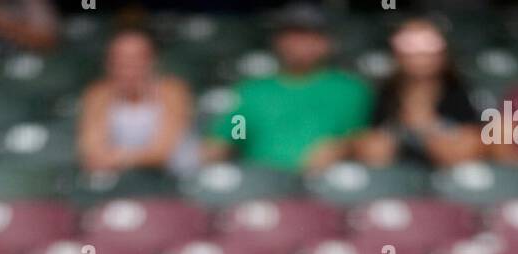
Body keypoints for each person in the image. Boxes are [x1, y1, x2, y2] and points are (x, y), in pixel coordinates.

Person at [203, 4, 373, 173]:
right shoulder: (250, 92)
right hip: (261, 181)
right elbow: (231, 136)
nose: (299, 44)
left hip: (327, 182)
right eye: (291, 35)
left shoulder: (351, 91)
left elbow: (363, 139)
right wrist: (217, 151)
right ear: (277, 41)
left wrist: (341, 148)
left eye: (310, 35)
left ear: (327, 42)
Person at [353, 17, 482, 169]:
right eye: (409, 47)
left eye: (429, 47)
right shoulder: (384, 93)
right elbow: (372, 154)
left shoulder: (460, 92)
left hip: (451, 176)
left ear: (443, 54)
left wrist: (427, 126)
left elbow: (464, 154)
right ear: (397, 55)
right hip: (396, 177)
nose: (420, 58)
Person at [77, 26, 196, 177]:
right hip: (125, 179)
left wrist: (117, 157)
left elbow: (162, 153)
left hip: (176, 177)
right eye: (120, 59)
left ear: (152, 61)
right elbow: (92, 152)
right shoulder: (97, 95)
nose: (129, 66)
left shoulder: (173, 91)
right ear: (109, 63)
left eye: (137, 58)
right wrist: (132, 158)